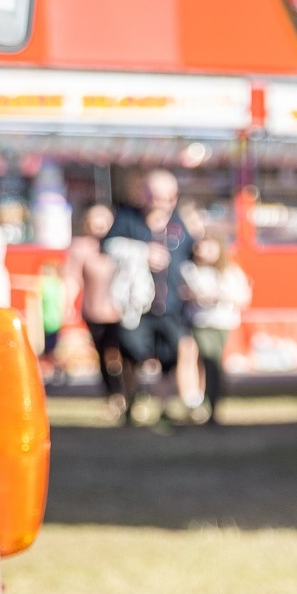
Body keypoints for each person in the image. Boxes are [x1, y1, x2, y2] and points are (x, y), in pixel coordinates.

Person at [110, 169, 194, 423]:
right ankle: (134, 403)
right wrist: (141, 252)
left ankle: (165, 406)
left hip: (172, 306)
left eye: (167, 196)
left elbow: (195, 254)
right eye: (155, 195)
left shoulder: (182, 223)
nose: (161, 202)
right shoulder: (126, 218)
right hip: (136, 306)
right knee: (136, 354)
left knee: (170, 358)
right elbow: (108, 247)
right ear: (144, 194)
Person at [65, 202, 130, 416]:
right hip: (95, 310)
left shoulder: (121, 245)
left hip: (122, 310)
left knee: (124, 353)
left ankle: (130, 393)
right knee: (105, 355)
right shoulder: (80, 247)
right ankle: (115, 396)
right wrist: (67, 305)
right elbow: (72, 279)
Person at [179, 232, 250, 425]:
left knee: (214, 363)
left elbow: (244, 298)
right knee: (207, 362)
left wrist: (222, 296)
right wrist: (195, 296)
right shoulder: (190, 270)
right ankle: (203, 402)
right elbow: (184, 292)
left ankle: (212, 403)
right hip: (201, 322)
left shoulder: (230, 271)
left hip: (222, 322)